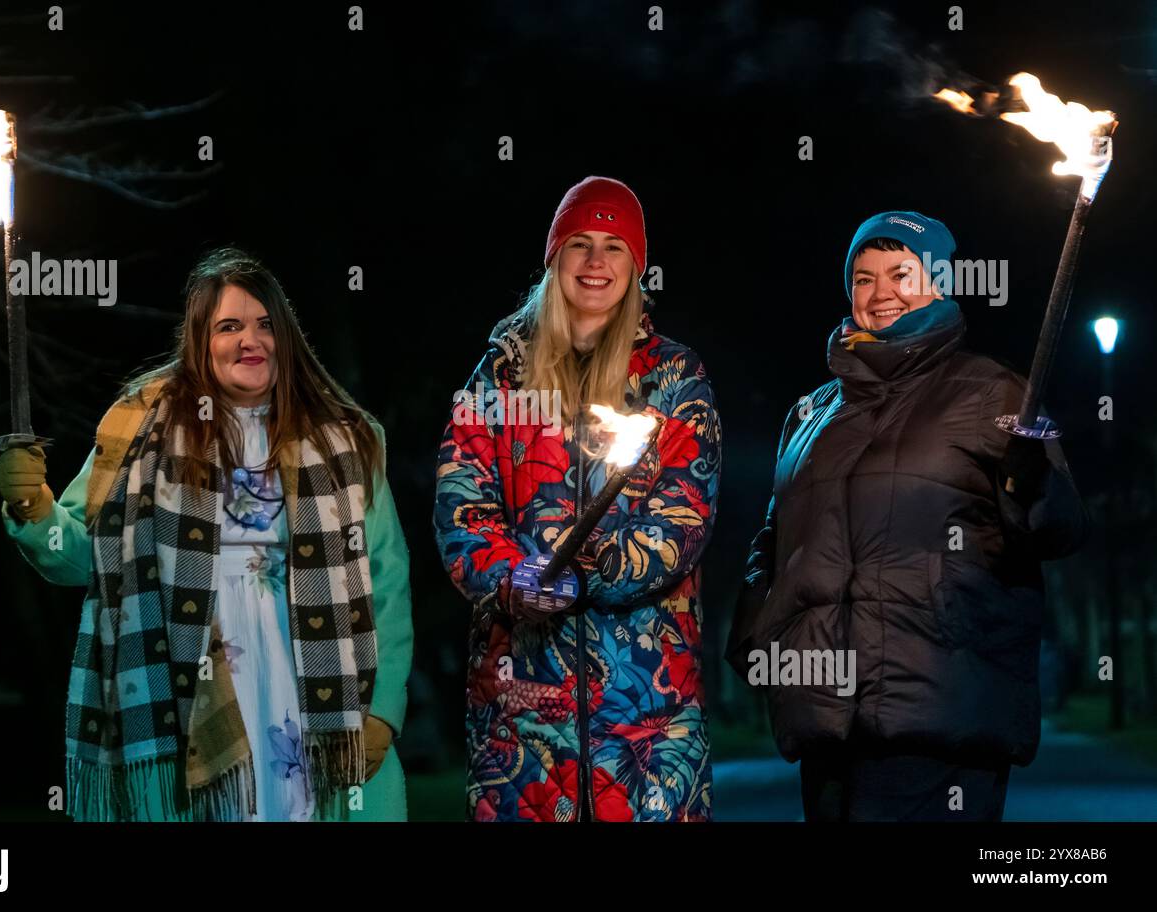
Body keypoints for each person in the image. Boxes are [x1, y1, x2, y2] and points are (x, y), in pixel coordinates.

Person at [0, 248, 413, 821]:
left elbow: (386, 578)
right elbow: (83, 558)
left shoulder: (344, 438)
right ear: (199, 338)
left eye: (266, 325)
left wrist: (384, 710)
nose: (251, 340)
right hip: (190, 679)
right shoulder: (142, 425)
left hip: (313, 677)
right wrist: (33, 507)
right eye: (230, 326)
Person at [727, 211, 1088, 822]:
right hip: (825, 726)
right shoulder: (811, 413)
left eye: (901, 273)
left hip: (940, 716)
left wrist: (1034, 486)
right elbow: (774, 538)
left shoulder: (992, 393)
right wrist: (758, 633)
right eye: (864, 279)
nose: (881, 292)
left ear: (942, 284)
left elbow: (1058, 530)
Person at [434, 176, 722, 821]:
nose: (595, 263)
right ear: (553, 259)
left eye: (614, 247)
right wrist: (515, 580)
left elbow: (683, 519)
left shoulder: (675, 379)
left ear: (637, 267)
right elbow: (462, 511)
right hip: (523, 709)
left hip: (648, 706)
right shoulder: (498, 380)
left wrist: (583, 572)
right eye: (579, 244)